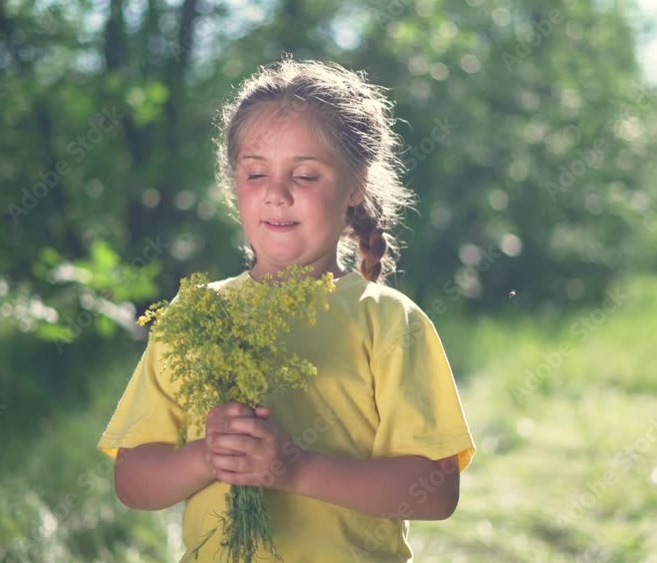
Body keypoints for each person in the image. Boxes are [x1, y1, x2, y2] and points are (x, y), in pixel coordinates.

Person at [97, 55, 475, 562]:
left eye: (305, 175)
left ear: (355, 184)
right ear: (234, 183)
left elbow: (435, 491)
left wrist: (292, 469)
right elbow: (132, 481)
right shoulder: (196, 317)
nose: (276, 194)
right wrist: (207, 456)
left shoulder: (388, 321)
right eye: (256, 174)